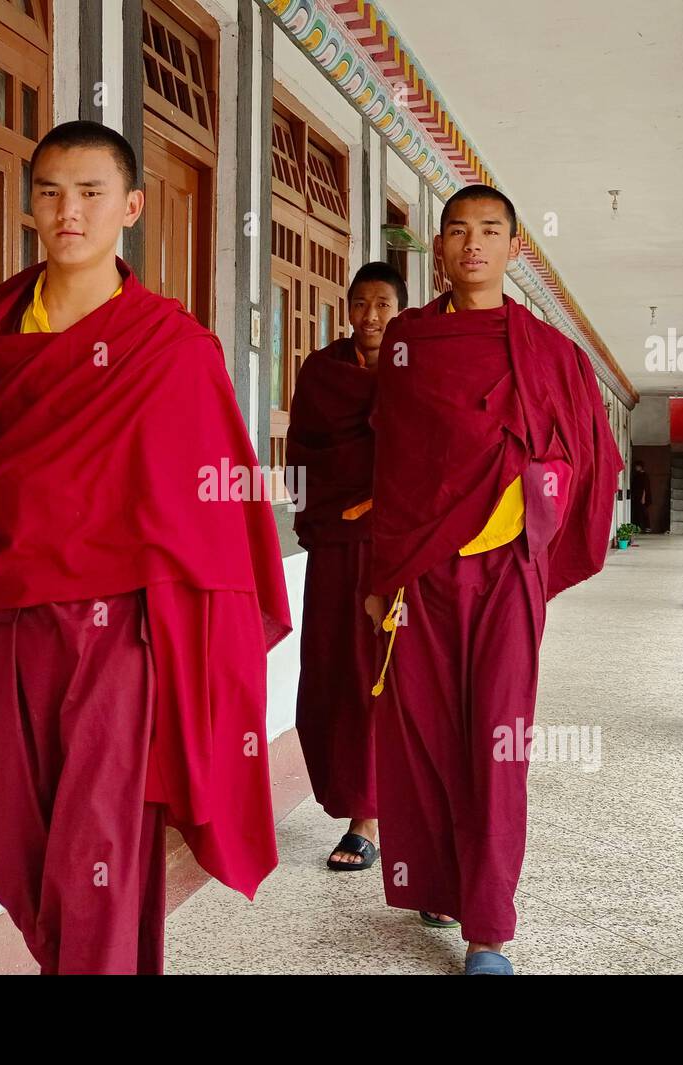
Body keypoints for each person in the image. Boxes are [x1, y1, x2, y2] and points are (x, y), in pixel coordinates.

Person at [0, 120, 291, 975]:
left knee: (100, 838)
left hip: (119, 630)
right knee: (9, 823)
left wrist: (196, 634)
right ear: (29, 205)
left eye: (91, 192)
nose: (69, 210)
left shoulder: (173, 350)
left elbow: (220, 504)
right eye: (51, 191)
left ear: (130, 205)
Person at [364, 184, 622, 974]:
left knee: (498, 742)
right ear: (437, 250)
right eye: (456, 231)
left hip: (506, 572)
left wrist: (535, 509)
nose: (472, 243)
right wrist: (381, 571)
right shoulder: (407, 343)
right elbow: (394, 462)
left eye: (490, 231)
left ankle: (491, 931)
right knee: (425, 733)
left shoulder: (550, 352)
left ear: (516, 249)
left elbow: (593, 458)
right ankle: (442, 881)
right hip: (420, 575)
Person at [285, 262, 407, 872]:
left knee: (388, 677)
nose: (370, 316)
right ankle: (353, 797)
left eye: (382, 304)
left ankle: (374, 816)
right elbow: (303, 455)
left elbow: (435, 450)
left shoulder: (418, 370)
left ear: (401, 311)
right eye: (360, 304)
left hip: (398, 551)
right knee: (335, 670)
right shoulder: (322, 372)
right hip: (338, 547)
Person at [630, 459, 652, 532]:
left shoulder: (644, 476)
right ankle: (638, 527)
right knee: (638, 512)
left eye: (637, 466)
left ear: (640, 467)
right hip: (637, 496)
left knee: (644, 511)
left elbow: (645, 488)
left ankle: (647, 527)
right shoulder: (637, 475)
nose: (636, 468)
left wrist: (643, 498)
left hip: (642, 497)